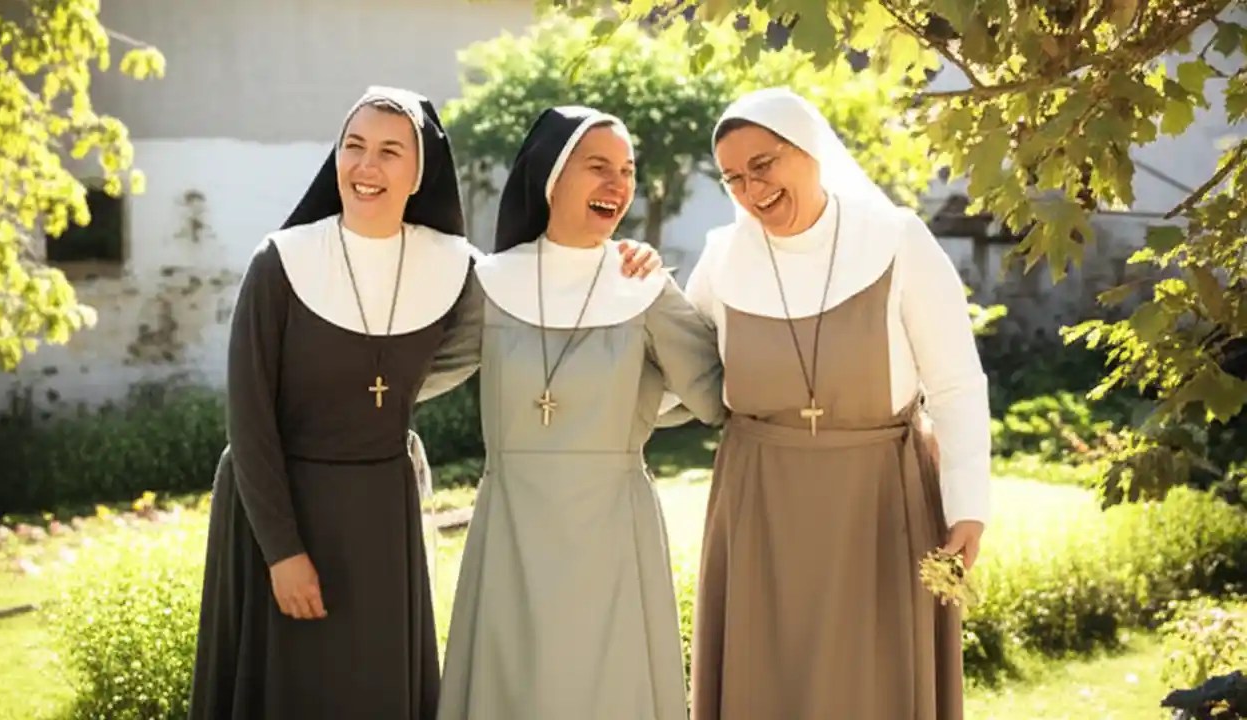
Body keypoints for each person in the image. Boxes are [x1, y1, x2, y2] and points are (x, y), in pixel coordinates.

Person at [186, 87, 659, 720]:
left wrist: (623, 260)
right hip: (278, 505)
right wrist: (282, 551)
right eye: (353, 147)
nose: (366, 167)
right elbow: (248, 419)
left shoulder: (457, 269)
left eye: (388, 151)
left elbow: (534, 306)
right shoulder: (281, 261)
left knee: (376, 688)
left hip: (382, 510)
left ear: (420, 172)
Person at [685, 87, 991, 720]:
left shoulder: (898, 239)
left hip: (880, 503)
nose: (750, 190)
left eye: (763, 166)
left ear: (810, 150)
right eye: (734, 178)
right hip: (759, 509)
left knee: (871, 685)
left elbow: (957, 384)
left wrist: (967, 508)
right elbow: (679, 376)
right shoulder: (722, 257)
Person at [436, 106, 727, 720]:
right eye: (599, 167)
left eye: (627, 171)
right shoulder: (489, 285)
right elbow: (411, 375)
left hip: (612, 529)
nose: (618, 186)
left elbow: (718, 396)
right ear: (550, 177)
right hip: (513, 523)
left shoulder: (644, 286)